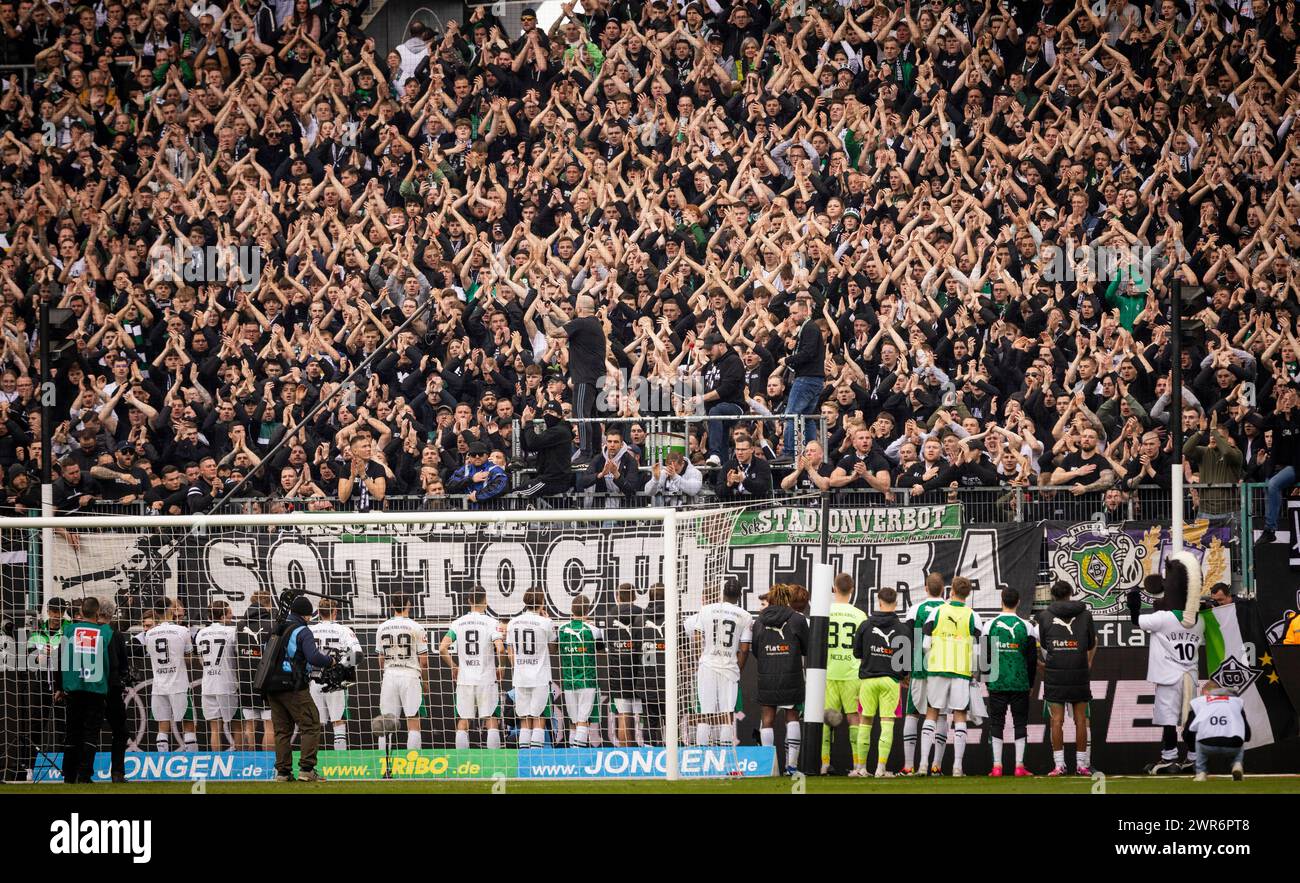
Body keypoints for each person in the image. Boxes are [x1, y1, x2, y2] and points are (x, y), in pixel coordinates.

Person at [1128, 554, 1205, 775]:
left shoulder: (1164, 618)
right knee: (1189, 718)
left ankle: (1169, 757)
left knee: (1169, 720)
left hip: (1168, 676)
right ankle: (1193, 757)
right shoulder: (1199, 621)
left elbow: (1137, 621)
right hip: (1190, 675)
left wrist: (1134, 603)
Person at [263, 595, 335, 783]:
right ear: (306, 615)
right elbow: (314, 657)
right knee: (311, 724)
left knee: (282, 730)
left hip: (271, 686)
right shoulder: (303, 631)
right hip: (293, 685)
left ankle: (283, 773)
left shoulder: (276, 627)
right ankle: (307, 769)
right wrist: (331, 661)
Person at [919, 577, 982, 777]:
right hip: (961, 671)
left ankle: (922, 766)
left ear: (951, 591)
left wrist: (934, 659)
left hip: (937, 668)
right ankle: (957, 768)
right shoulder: (974, 616)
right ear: (968, 594)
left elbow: (925, 644)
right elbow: (978, 650)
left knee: (932, 713)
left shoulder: (937, 611)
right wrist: (973, 669)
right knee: (959, 715)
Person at [1037, 581, 1098, 776]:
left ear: (1052, 595)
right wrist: (1087, 662)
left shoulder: (1044, 616)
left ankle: (1059, 766)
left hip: (1055, 673)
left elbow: (1045, 646)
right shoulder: (1086, 614)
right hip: (1079, 672)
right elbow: (1091, 643)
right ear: (1071, 593)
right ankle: (1081, 765)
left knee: (1056, 721)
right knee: (1081, 720)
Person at [684, 579, 752, 748]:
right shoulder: (745, 615)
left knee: (704, 712)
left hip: (707, 666)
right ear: (740, 595)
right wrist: (739, 669)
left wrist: (701, 657)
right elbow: (744, 649)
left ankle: (701, 754)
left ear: (722, 593)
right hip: (729, 668)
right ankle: (725, 754)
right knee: (726, 713)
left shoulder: (706, 610)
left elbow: (697, 637)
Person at [751, 583, 808, 774]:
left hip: (767, 676)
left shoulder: (759, 621)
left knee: (767, 719)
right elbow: (807, 647)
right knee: (792, 718)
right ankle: (791, 766)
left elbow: (756, 649)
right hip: (792, 675)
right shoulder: (797, 619)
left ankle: (769, 767)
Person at [439, 587, 505, 750]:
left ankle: (463, 765)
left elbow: (442, 648)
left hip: (465, 679)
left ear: (469, 601)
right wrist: (501, 666)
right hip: (486, 679)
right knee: (491, 719)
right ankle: (493, 761)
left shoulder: (458, 623)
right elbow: (501, 648)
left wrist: (454, 666)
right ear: (486, 600)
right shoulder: (491, 622)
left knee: (463, 721)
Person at [56, 597, 113, 785]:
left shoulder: (69, 629)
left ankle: (69, 775)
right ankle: (84, 775)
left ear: (80, 611)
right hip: (95, 689)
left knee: (72, 732)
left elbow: (59, 659)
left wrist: (58, 686)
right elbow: (113, 665)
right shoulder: (105, 633)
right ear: (97, 612)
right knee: (90, 733)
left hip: (73, 689)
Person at [852, 585, 907, 778]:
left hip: (868, 680)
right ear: (896, 603)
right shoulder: (902, 628)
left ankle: (860, 768)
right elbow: (905, 663)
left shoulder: (865, 625)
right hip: (890, 681)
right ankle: (880, 769)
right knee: (887, 723)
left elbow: (856, 652)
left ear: (879, 602)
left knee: (865, 722)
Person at [983, 588, 1038, 777]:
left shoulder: (989, 625)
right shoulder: (1027, 626)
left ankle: (996, 767)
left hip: (997, 682)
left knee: (996, 723)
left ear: (1001, 600)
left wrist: (987, 681)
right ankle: (1019, 766)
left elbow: (984, 657)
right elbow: (1032, 660)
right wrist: (1030, 683)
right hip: (1019, 682)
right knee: (1020, 723)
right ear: (1019, 601)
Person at [901, 574, 947, 775]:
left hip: (919, 668)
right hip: (943, 668)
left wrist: (904, 669)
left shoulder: (915, 609)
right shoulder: (949, 609)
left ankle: (909, 765)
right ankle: (936, 766)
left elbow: (906, 640)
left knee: (912, 713)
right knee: (942, 715)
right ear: (944, 589)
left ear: (926, 588)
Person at [821, 573, 865, 775]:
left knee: (826, 719)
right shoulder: (860, 615)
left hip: (828, 672)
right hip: (852, 673)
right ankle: (858, 765)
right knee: (854, 718)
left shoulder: (824, 611)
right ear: (852, 589)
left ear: (833, 588)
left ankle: (824, 763)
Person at [375, 594, 429, 752]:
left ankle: (384, 766)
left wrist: (387, 672)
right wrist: (425, 682)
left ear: (392, 605)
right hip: (410, 675)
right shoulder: (416, 626)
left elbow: (380, 658)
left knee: (387, 723)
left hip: (390, 674)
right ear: (409, 605)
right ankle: (413, 766)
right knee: (413, 720)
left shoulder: (382, 627)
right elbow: (424, 661)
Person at [143, 600, 197, 753]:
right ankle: (192, 764)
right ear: (171, 610)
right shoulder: (182, 630)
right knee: (188, 724)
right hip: (179, 685)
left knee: (162, 727)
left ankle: (162, 763)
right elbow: (189, 659)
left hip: (159, 686)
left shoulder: (149, 633)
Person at [309, 599, 362, 751]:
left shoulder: (309, 630)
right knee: (338, 722)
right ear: (335, 612)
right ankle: (340, 764)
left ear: (318, 613)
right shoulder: (344, 630)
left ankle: (311, 764)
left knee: (315, 724)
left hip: (314, 680)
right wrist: (341, 667)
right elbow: (358, 655)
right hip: (336, 682)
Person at [506, 587, 556, 750]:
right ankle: (535, 759)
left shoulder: (513, 623)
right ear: (542, 603)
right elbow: (553, 649)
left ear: (525, 602)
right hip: (540, 678)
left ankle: (524, 758)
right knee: (539, 717)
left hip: (520, 677)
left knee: (524, 718)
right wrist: (548, 620)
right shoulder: (546, 622)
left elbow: (510, 652)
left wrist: (518, 668)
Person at [557, 594, 602, 748]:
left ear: (571, 610)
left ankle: (572, 756)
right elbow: (601, 651)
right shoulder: (594, 630)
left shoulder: (561, 629)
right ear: (588, 610)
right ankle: (579, 756)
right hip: (587, 680)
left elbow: (554, 648)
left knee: (573, 720)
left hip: (568, 680)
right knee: (583, 719)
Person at [696, 332, 747, 467]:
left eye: (710, 349)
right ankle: (723, 473)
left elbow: (726, 388)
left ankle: (715, 454)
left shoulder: (734, 361)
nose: (707, 353)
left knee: (716, 411)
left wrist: (702, 398)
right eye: (705, 349)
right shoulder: (707, 366)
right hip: (714, 413)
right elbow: (702, 387)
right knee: (722, 440)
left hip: (734, 406)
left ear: (721, 345)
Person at [604, 583, 646, 747]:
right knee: (643, 717)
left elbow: (606, 644)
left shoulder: (609, 615)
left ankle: (626, 755)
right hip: (638, 669)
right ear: (635, 597)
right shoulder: (641, 613)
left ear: (617, 596)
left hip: (618, 670)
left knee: (623, 715)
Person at [783, 295, 825, 455]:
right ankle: (812, 452)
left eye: (794, 313)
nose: (792, 317)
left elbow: (808, 353)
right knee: (807, 418)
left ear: (805, 311)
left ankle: (788, 452)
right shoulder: (805, 329)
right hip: (814, 379)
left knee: (791, 415)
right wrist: (790, 348)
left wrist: (787, 359)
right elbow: (801, 350)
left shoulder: (810, 328)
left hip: (806, 378)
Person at [195, 601, 239, 751]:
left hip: (208, 684)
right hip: (227, 684)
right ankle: (242, 762)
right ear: (222, 616)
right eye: (229, 613)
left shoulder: (200, 633)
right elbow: (238, 656)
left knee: (215, 729)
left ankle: (218, 763)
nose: (232, 616)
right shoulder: (231, 631)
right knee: (237, 725)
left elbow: (201, 660)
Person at [236, 591, 276, 751]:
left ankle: (249, 765)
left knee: (249, 725)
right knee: (270, 726)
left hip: (246, 681)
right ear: (268, 605)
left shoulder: (239, 625)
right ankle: (268, 765)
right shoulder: (272, 624)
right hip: (266, 682)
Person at [1186, 682, 1248, 782]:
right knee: (1239, 738)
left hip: (1207, 744)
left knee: (1198, 739)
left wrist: (1189, 744)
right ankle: (1237, 764)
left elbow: (1188, 731)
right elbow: (1245, 728)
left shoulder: (1200, 701)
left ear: (1203, 693)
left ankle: (1201, 772)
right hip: (1232, 744)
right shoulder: (1235, 702)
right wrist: (1245, 738)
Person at [98, 601, 132, 783]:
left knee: (88, 731)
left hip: (89, 688)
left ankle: (81, 772)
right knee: (120, 731)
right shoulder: (115, 635)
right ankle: (117, 773)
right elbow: (123, 664)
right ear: (112, 614)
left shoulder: (84, 632)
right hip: (111, 688)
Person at [516, 400, 575, 501]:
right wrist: (523, 427)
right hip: (546, 479)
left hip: (553, 481)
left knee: (516, 494)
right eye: (545, 412)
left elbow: (533, 442)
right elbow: (528, 447)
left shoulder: (561, 431)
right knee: (558, 510)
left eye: (551, 412)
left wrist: (529, 421)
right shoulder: (550, 432)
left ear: (560, 416)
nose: (548, 414)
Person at [338, 432, 387, 512]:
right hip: (352, 515)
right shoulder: (346, 469)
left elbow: (380, 495)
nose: (368, 449)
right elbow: (342, 498)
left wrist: (363, 475)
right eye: (364, 447)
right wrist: (352, 477)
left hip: (374, 516)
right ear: (355, 451)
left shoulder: (378, 467)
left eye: (369, 446)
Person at [714, 435, 773, 500]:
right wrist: (728, 484)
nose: (739, 453)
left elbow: (763, 488)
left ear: (752, 449)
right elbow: (718, 492)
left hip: (757, 506)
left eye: (743, 449)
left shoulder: (762, 465)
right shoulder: (729, 465)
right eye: (737, 449)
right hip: (733, 506)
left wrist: (744, 480)